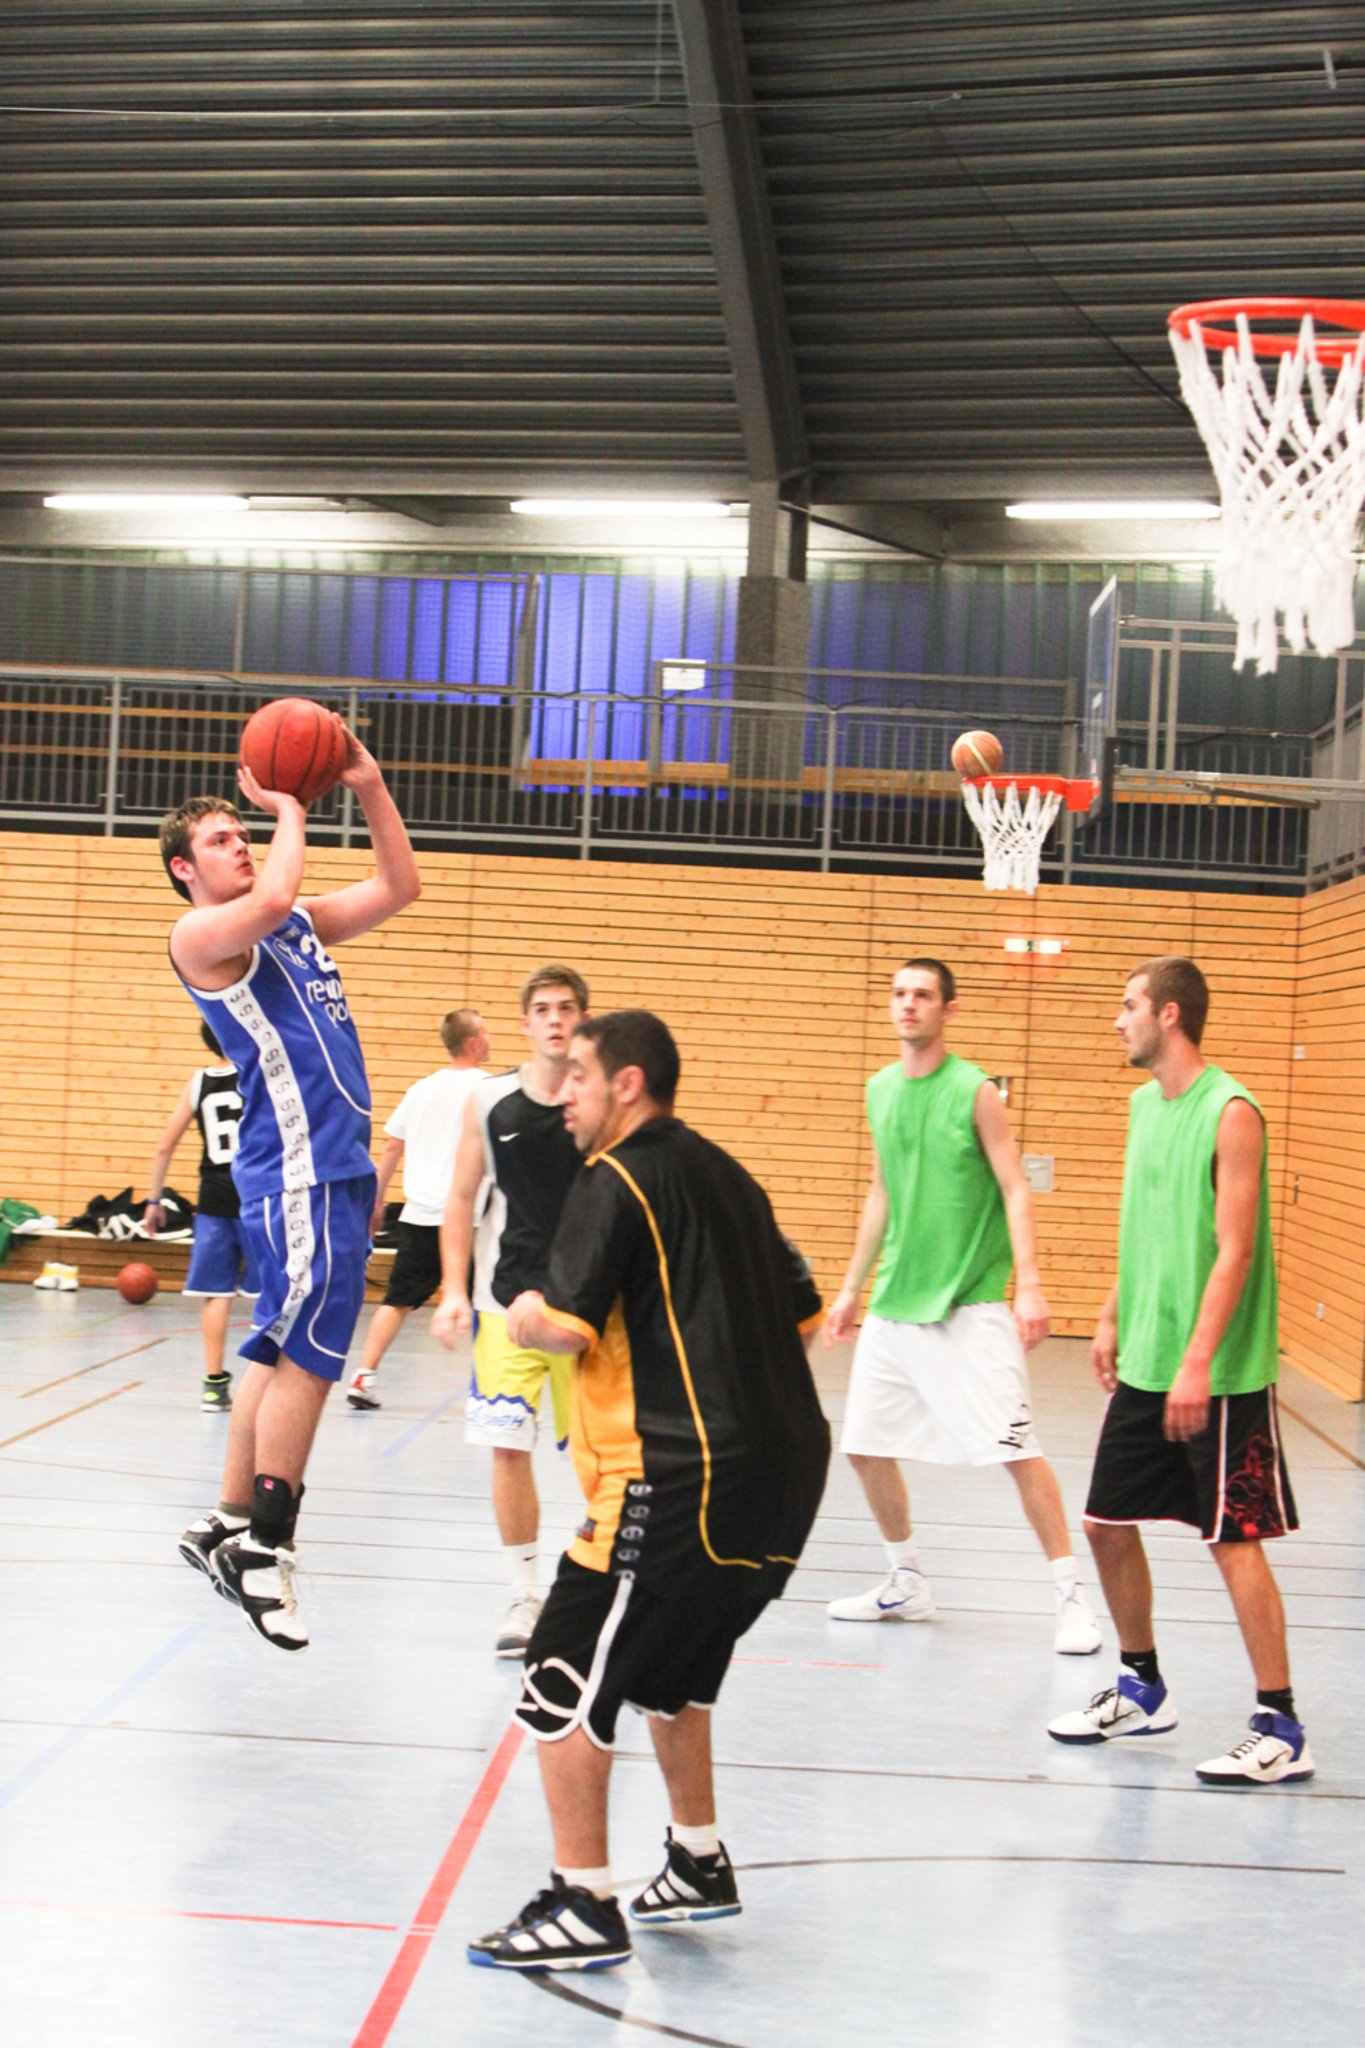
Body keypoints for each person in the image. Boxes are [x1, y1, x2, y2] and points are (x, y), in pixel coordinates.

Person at [467, 1010, 829, 1973]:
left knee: (558, 1679)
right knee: (671, 1676)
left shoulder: (612, 1176)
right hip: (784, 1480)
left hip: (668, 1482)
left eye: (580, 1076)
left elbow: (570, 1327)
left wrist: (526, 1307)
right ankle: (697, 1859)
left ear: (628, 1083)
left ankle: (582, 1902)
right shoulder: (731, 1178)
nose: (567, 1095)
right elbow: (803, 1311)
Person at [162, 731, 420, 1651]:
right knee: (313, 1353)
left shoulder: (297, 923)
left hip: (334, 1167)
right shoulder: (200, 936)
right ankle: (267, 1551)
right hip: (300, 1170)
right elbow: (272, 892)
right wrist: (293, 805)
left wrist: (370, 784)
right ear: (186, 872)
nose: (240, 844)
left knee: (273, 1349)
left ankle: (229, 1520)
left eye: (244, 831)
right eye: (222, 839)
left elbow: (399, 888)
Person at [1048, 958, 1312, 1786]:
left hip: (1220, 1371)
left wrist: (1198, 1360)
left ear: (1168, 1014)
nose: (1115, 1020)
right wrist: (1108, 1314)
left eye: (1126, 1006)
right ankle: (1141, 1685)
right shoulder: (1140, 1106)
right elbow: (1146, 1225)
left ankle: (1279, 1724)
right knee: (1102, 1522)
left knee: (1234, 1543)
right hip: (1149, 1360)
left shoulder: (1231, 1111)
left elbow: (1234, 1250)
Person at [823, 957, 1101, 1657]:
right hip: (894, 1302)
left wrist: (1029, 1283)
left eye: (921, 995)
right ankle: (905, 1580)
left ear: (947, 1009)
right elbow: (881, 1191)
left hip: (969, 1304)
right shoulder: (879, 1090)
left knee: (1015, 1449)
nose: (906, 1005)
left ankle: (1071, 1597)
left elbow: (1013, 1186)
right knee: (862, 1447)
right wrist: (852, 1288)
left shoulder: (975, 1091)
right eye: (898, 994)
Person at [432, 965, 588, 1658]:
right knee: (507, 1445)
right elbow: (461, 1198)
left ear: (584, 1020)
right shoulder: (490, 1103)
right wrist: (454, 1289)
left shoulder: (604, 1098)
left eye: (567, 1009)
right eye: (542, 1010)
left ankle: (594, 1583)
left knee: (601, 1455)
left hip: (587, 1310)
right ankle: (525, 1594)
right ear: (524, 1025)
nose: (555, 1020)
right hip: (505, 1302)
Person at [345, 1007, 490, 1411]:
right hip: (472, 1220)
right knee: (488, 1302)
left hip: (420, 1216)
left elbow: (392, 1146)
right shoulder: (490, 1089)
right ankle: (489, 1388)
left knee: (397, 1301)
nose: (490, 1041)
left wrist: (375, 1203)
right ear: (474, 1042)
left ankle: (363, 1376)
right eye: (487, 1034)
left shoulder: (421, 1089)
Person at [143, 1020, 259, 1411]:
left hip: (213, 1196)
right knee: (269, 1291)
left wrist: (153, 1201)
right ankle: (266, 1382)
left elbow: (164, 1147)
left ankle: (213, 1383)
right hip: (258, 1192)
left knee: (216, 1293)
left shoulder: (199, 1082)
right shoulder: (258, 1074)